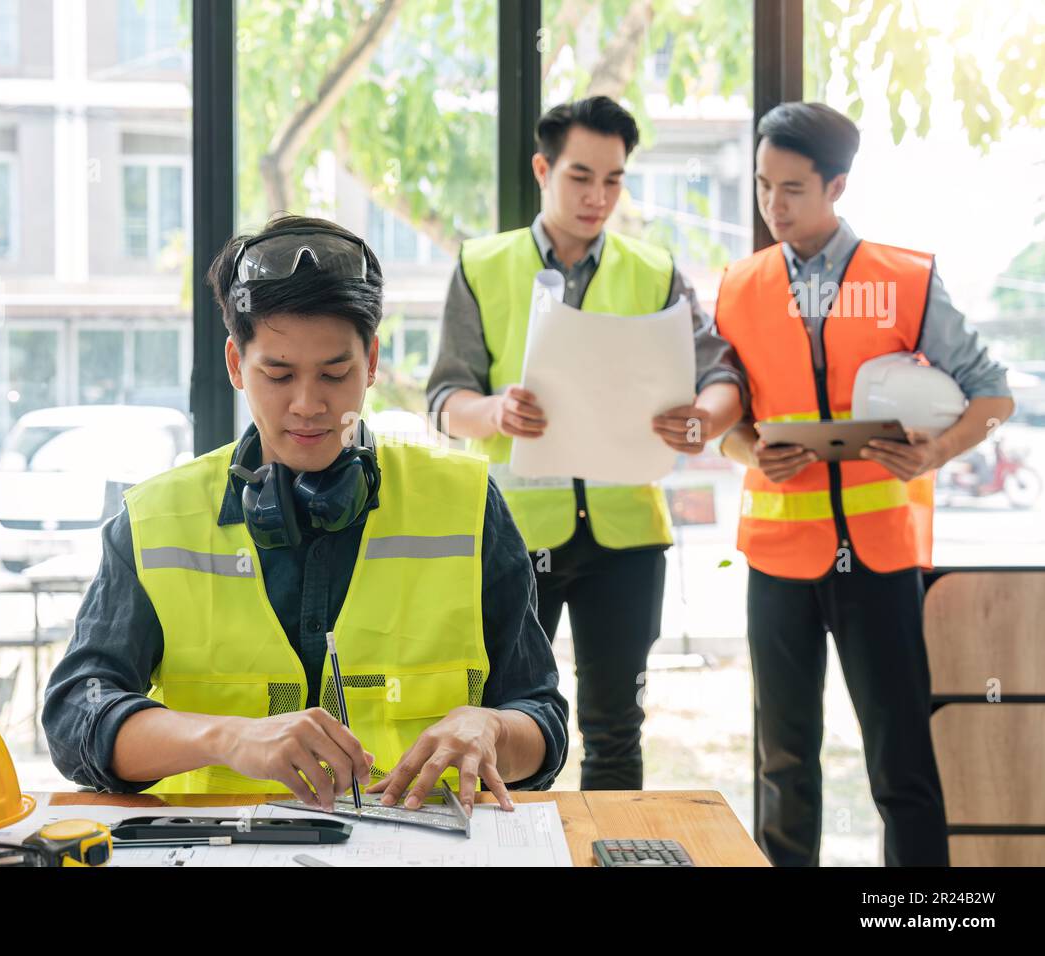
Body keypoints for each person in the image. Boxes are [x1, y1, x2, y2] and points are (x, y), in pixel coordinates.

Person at [43, 214, 569, 814]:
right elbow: (75, 717)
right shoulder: (156, 519)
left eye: (336, 373)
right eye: (278, 373)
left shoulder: (468, 505)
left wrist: (493, 731)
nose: (308, 404)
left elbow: (541, 720)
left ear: (371, 361)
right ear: (236, 365)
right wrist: (228, 737)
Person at [711, 101, 1015, 866]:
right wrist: (750, 451)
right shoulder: (738, 286)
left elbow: (994, 395)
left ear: (837, 186)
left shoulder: (904, 281)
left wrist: (935, 451)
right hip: (777, 558)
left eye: (792, 190)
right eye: (761, 186)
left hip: (879, 558)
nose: (772, 207)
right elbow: (726, 415)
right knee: (783, 764)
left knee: (902, 764)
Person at [426, 95, 745, 790]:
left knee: (615, 728)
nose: (597, 196)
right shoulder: (482, 265)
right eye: (580, 176)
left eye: (613, 179)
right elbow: (445, 401)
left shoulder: (653, 270)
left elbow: (723, 373)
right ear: (543, 169)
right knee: (507, 722)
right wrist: (495, 412)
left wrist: (703, 423)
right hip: (513, 538)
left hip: (625, 540)